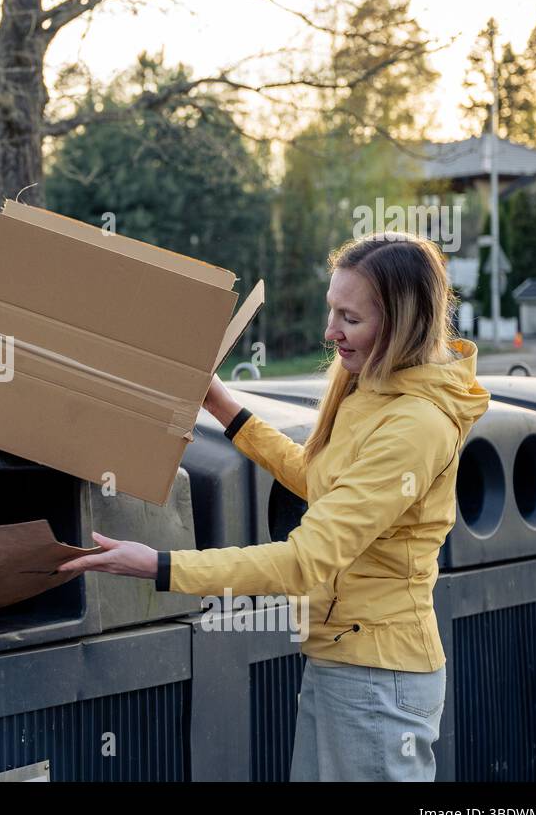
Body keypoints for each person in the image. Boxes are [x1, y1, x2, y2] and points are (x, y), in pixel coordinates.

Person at [58, 231, 491, 781]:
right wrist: (224, 407)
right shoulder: (372, 390)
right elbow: (323, 481)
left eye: (350, 319)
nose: (330, 332)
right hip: (342, 659)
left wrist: (159, 566)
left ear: (403, 322)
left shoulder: (414, 425)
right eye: (332, 310)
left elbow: (304, 561)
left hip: (379, 679)